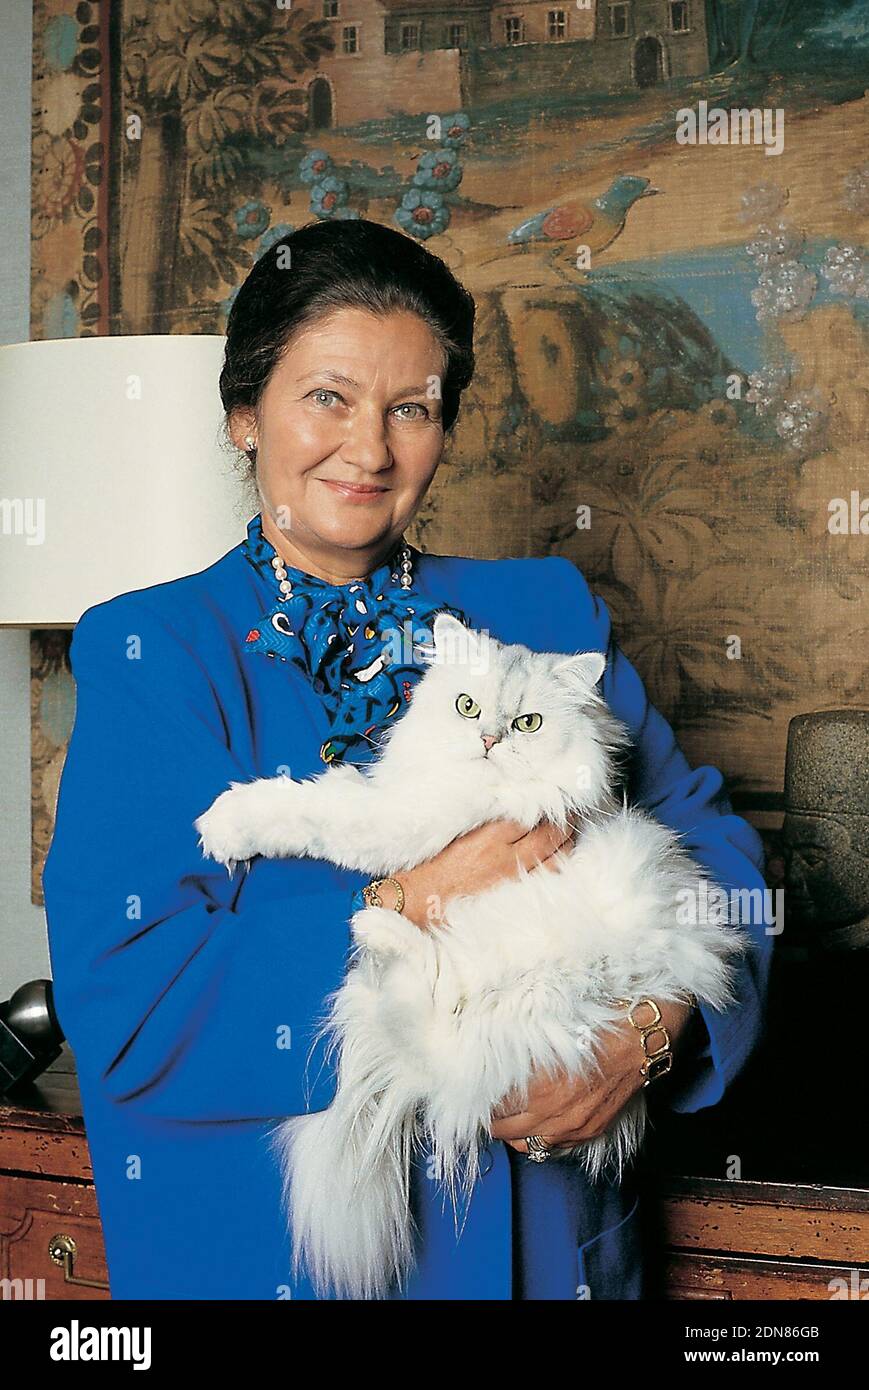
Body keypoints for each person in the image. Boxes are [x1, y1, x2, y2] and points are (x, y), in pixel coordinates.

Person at [43, 217, 771, 1300]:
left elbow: (718, 862)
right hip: (280, 1259)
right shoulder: (152, 651)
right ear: (244, 415)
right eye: (326, 397)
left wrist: (652, 1033)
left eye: (411, 409)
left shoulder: (543, 612)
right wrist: (411, 896)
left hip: (537, 1249)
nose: (370, 448)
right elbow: (131, 999)